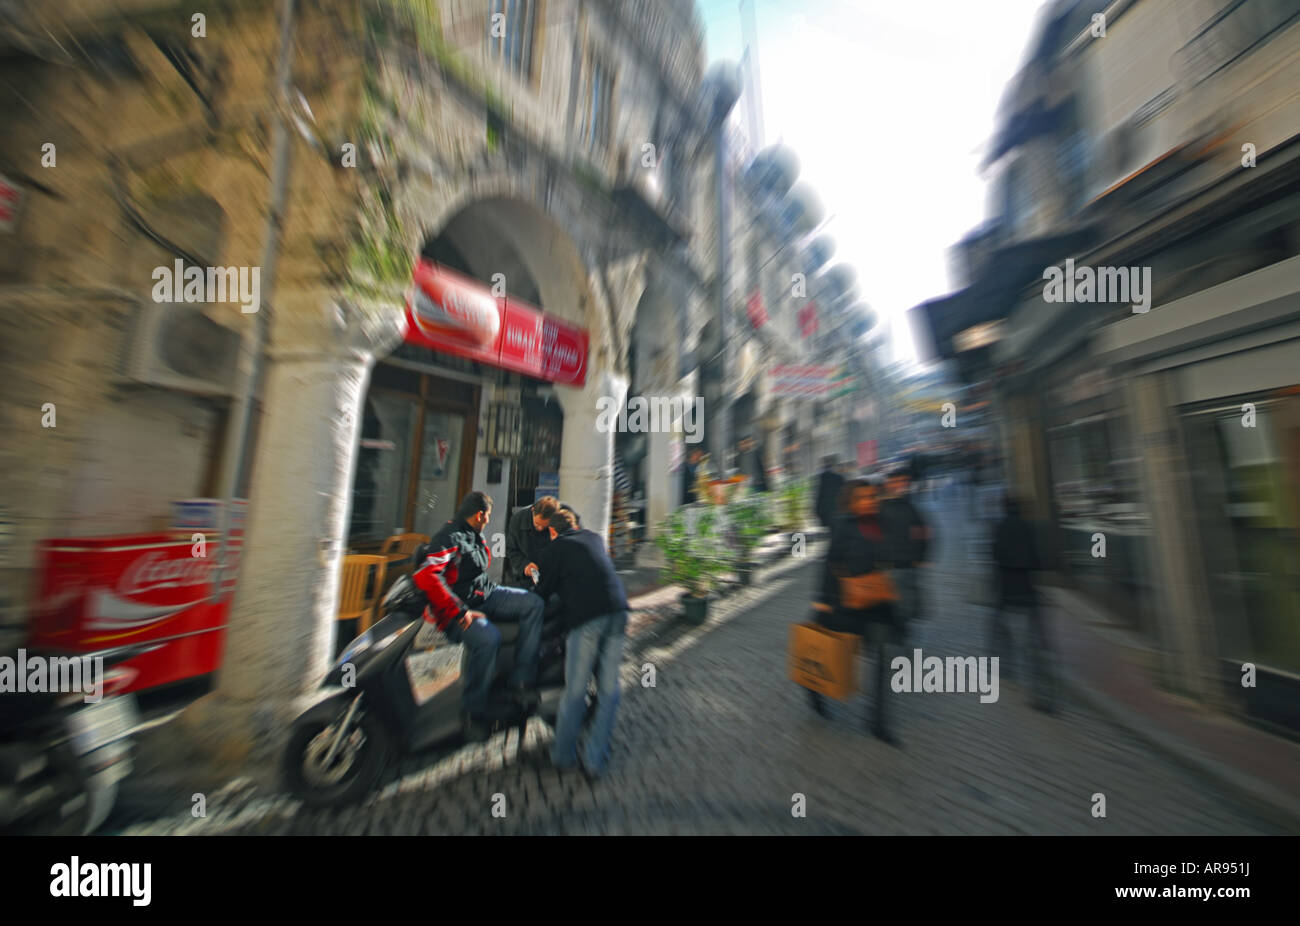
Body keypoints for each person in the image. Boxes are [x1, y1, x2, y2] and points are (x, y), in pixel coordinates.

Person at [412, 491, 546, 742]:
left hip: (487, 594)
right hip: (457, 610)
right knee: (488, 639)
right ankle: (473, 712)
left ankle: (522, 681)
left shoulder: (473, 534)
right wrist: (457, 610)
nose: (488, 520)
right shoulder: (450, 536)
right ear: (479, 514)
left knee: (534, 604)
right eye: (487, 516)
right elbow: (427, 575)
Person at [534, 508, 628, 778]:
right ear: (575, 524)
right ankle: (595, 759)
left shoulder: (556, 548)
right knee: (609, 689)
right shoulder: (595, 538)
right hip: (618, 611)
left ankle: (563, 755)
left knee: (575, 689)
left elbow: (543, 590)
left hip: (587, 620)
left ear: (553, 531)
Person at [811, 479, 905, 745]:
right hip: (845, 603)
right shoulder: (842, 524)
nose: (869, 502)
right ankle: (813, 688)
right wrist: (823, 599)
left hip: (875, 603)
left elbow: (893, 552)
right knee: (829, 652)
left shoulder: (880, 523)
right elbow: (830, 562)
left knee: (881, 660)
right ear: (851, 502)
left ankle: (878, 722)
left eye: (872, 497)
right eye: (863, 498)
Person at [991, 495, 1056, 713]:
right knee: (1035, 642)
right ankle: (1043, 694)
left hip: (1007, 590)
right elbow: (1039, 560)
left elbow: (996, 556)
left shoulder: (999, 527)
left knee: (1000, 630)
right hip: (1028, 590)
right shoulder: (1030, 528)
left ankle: (1004, 666)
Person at [880, 465, 931, 633]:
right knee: (894, 607)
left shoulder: (910, 507)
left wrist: (922, 556)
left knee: (904, 607)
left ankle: (899, 631)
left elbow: (922, 533)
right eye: (897, 481)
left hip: (907, 565)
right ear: (888, 483)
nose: (902, 485)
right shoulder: (880, 506)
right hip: (888, 565)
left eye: (905, 482)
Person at [504, 496, 559, 587]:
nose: (540, 529)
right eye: (537, 524)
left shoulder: (561, 520)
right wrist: (524, 565)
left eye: (545, 526)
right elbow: (512, 550)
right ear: (533, 510)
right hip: (527, 579)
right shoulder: (517, 520)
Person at [814, 455, 844, 529]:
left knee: (830, 530)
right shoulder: (839, 477)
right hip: (837, 510)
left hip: (826, 510)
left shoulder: (821, 477)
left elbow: (819, 494)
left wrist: (817, 510)